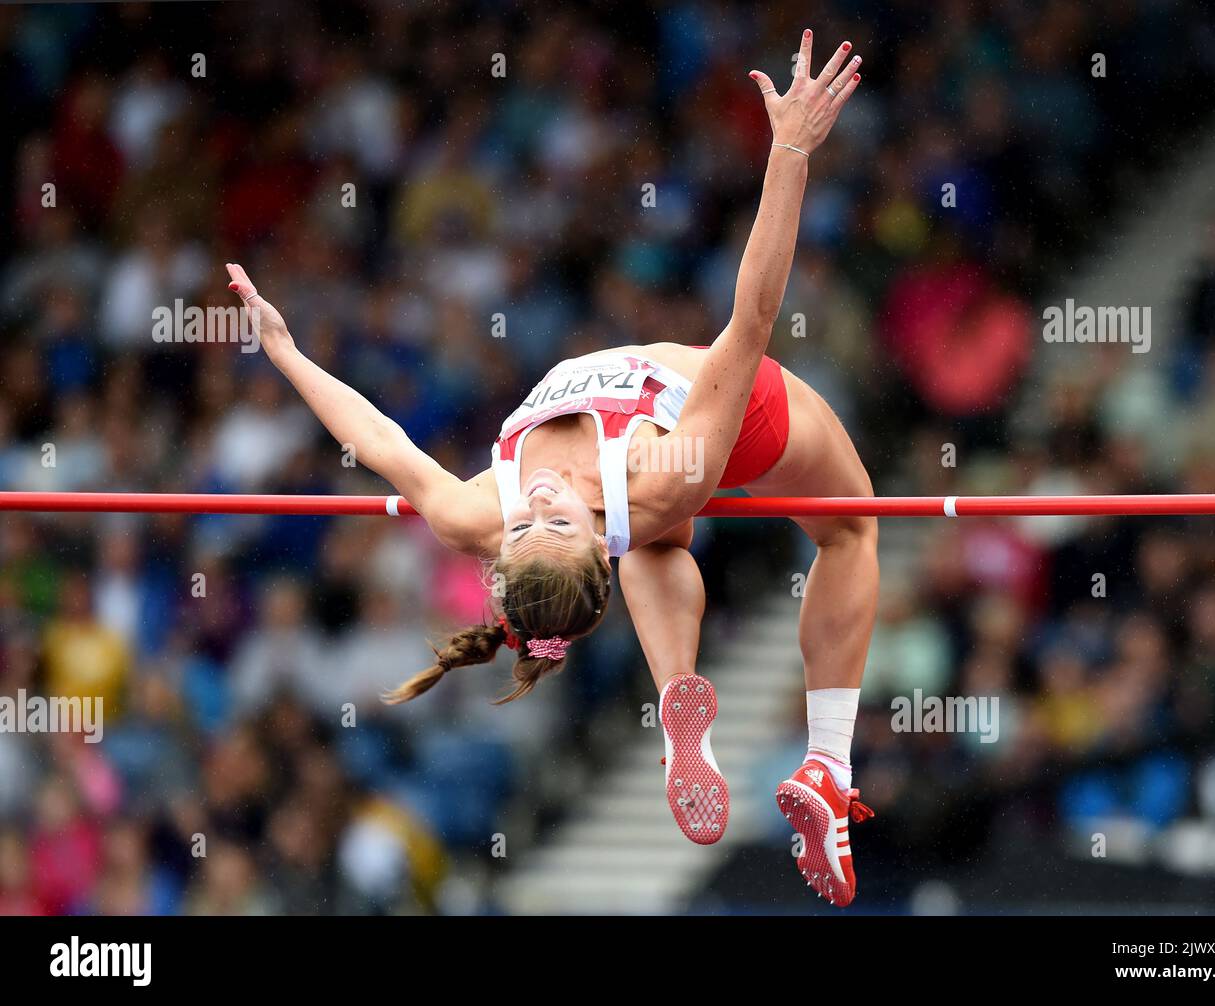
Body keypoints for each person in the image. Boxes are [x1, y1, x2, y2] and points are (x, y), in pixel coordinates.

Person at [225, 29, 876, 906]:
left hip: (652, 486)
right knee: (851, 528)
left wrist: (288, 352)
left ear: (499, 550)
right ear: (589, 538)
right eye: (557, 522)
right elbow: (751, 317)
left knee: (654, 542)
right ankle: (829, 767)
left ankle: (683, 692)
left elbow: (379, 443)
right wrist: (790, 150)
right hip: (734, 417)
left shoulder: (474, 513)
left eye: (526, 525)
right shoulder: (659, 475)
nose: (533, 503)